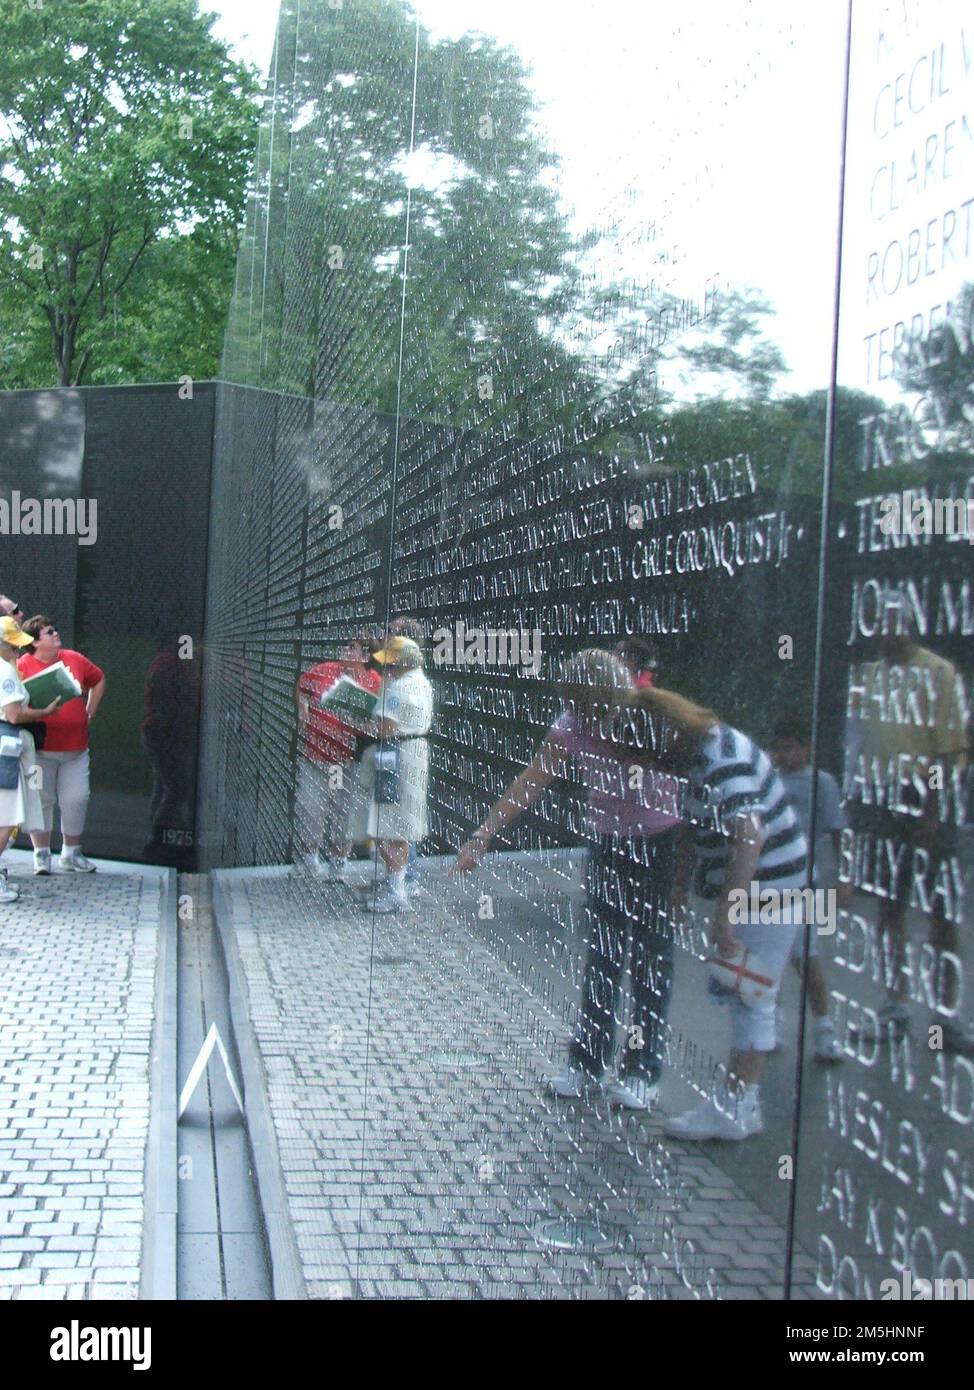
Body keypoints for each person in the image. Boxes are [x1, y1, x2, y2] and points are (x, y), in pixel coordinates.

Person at [456, 650, 683, 1110]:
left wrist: (689, 871)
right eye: (575, 707)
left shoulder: (652, 716)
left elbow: (692, 780)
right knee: (604, 954)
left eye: (588, 707)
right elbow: (532, 779)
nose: (582, 717)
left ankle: (642, 1070)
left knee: (649, 960)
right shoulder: (572, 723)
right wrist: (483, 835)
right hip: (608, 842)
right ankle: (588, 1063)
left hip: (660, 842)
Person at [655, 690, 809, 1142]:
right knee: (748, 990)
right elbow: (691, 827)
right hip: (764, 886)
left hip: (771, 888)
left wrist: (728, 912)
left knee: (752, 994)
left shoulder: (723, 760)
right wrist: (680, 886)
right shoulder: (699, 756)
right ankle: (742, 1102)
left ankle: (736, 1108)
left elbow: (749, 832)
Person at [847, 621, 972, 1053]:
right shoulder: (871, 674)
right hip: (882, 797)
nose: (884, 636)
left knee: (939, 912)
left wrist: (932, 811)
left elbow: (949, 749)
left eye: (892, 628)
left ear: (911, 629)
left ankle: (946, 1017)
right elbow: (863, 738)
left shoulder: (939, 673)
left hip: (923, 794)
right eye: (878, 628)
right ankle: (895, 1005)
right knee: (889, 906)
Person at [770, 718, 846, 1063]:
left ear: (806, 748)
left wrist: (845, 878)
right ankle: (770, 1022)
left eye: (792, 746)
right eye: (780, 746)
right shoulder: (768, 778)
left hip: (808, 880)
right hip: (765, 878)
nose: (786, 753)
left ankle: (825, 1028)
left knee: (808, 958)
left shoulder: (823, 782)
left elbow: (838, 831)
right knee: (766, 956)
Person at [18, 616, 105, 873]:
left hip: (76, 748)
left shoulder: (74, 659)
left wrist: (90, 711)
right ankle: (41, 854)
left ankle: (71, 853)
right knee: (42, 799)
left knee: (77, 798)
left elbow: (98, 679)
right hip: (41, 750)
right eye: (49, 632)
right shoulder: (22, 666)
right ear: (34, 642)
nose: (56, 634)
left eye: (55, 630)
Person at [294, 635, 381, 880]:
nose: (345, 651)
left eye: (352, 648)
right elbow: (301, 687)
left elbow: (379, 719)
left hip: (346, 761)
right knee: (311, 808)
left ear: (365, 656)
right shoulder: (324, 670)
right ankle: (309, 859)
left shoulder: (373, 681)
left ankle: (338, 861)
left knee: (343, 811)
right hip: (316, 758)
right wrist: (304, 711)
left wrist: (363, 724)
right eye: (345, 646)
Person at [355, 636, 433, 913]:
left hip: (394, 754)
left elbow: (385, 728)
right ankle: (398, 886)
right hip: (415, 752)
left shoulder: (397, 688)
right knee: (403, 824)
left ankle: (395, 890)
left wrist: (362, 723)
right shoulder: (423, 682)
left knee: (390, 824)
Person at [0, 616, 61, 900]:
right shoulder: (6, 671)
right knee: (5, 818)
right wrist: (44, 712)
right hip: (7, 747)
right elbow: (13, 715)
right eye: (13, 646)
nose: (18, 651)